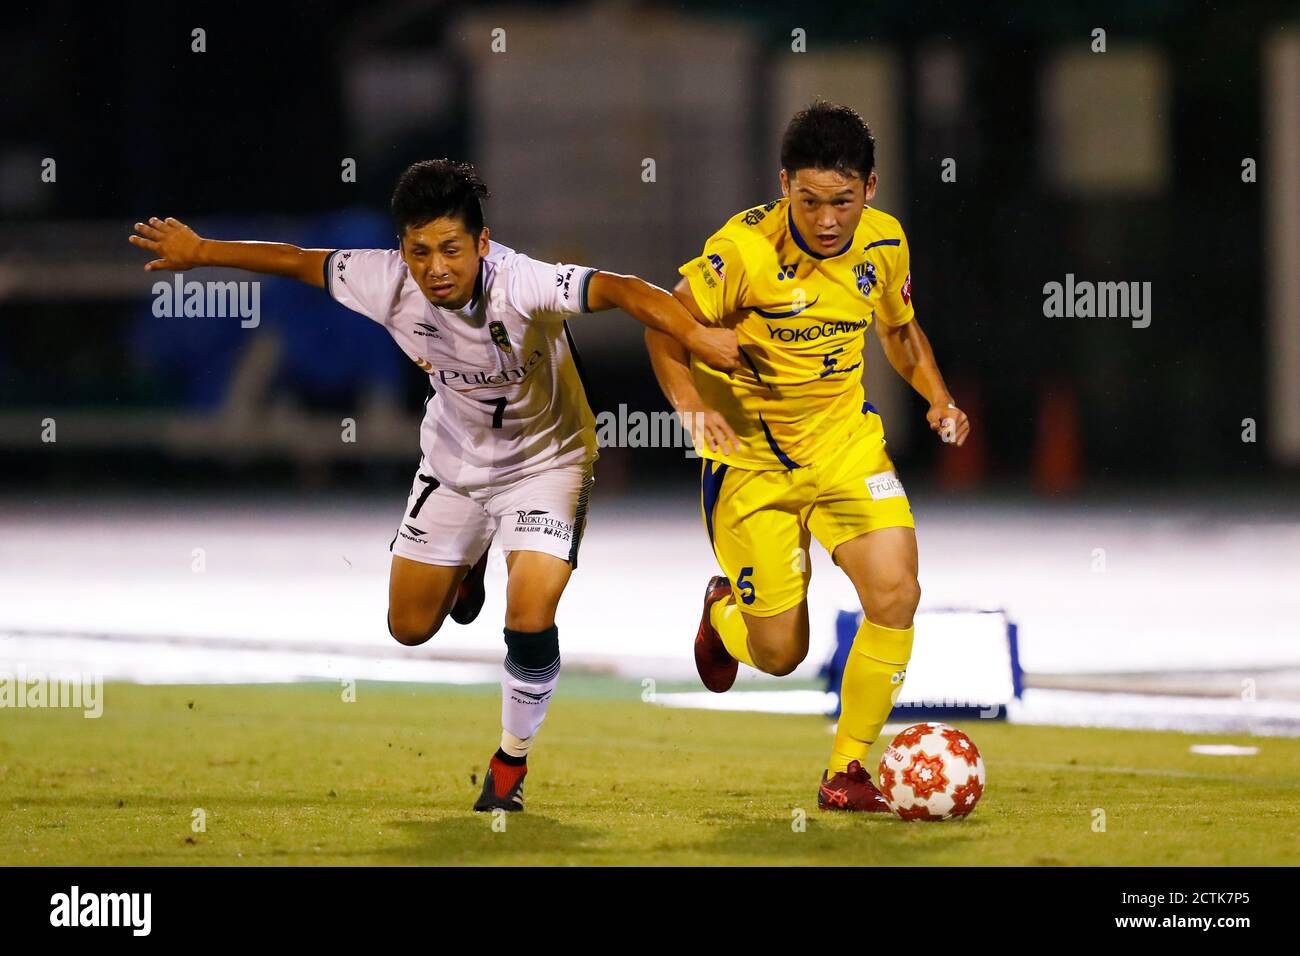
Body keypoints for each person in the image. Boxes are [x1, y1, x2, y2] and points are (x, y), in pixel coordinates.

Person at [130, 158, 739, 812]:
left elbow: (622, 289)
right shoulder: (385, 281)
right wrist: (200, 251)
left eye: (451, 249)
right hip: (454, 465)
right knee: (410, 627)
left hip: (549, 463)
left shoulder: (522, 282)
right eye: (419, 252)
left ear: (481, 243)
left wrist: (696, 333)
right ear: (402, 251)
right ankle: (468, 562)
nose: (436, 267)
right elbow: (296, 260)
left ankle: (510, 764)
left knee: (529, 615)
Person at [645, 102, 970, 811]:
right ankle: (723, 615)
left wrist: (937, 398)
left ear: (871, 189)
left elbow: (900, 331)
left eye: (843, 203)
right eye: (810, 201)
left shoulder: (884, 245)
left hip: (845, 444)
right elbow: (664, 322)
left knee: (896, 593)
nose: (827, 220)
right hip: (753, 463)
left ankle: (847, 771)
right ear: (785, 184)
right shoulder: (743, 252)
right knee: (780, 654)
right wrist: (691, 406)